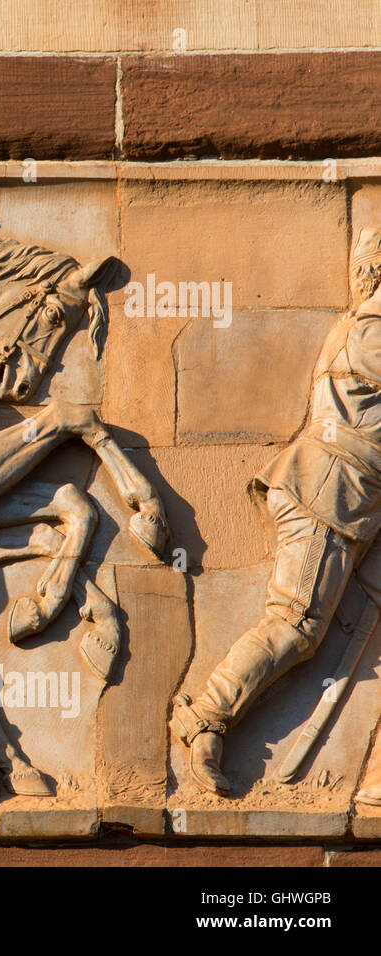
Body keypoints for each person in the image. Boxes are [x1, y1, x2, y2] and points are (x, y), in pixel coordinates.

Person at [172, 227, 381, 804]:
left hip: (346, 498)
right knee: (295, 623)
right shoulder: (372, 330)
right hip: (328, 494)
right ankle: (206, 720)